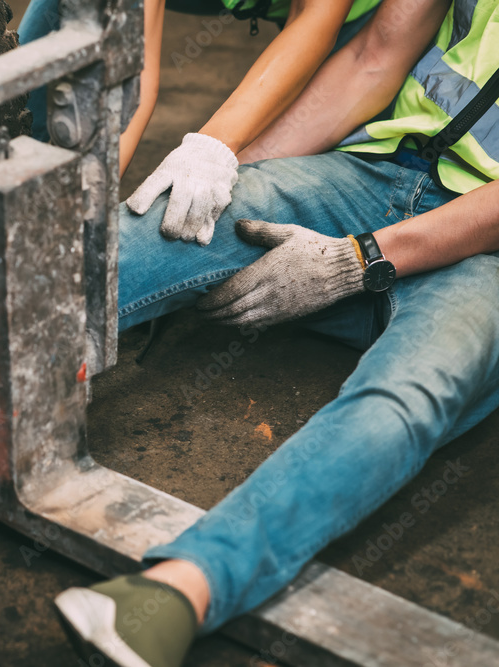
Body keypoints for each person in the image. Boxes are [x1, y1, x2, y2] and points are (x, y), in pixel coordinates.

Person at [53, 1, 499, 665]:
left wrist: (362, 260)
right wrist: (236, 172)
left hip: (481, 246)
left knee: (411, 392)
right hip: (378, 172)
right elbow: (374, 52)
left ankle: (182, 590)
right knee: (164, 227)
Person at [18, 0, 380, 182]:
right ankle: (26, 163)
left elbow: (313, 16)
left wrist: (212, 148)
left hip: (347, 13)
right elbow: (130, 74)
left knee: (286, 158)